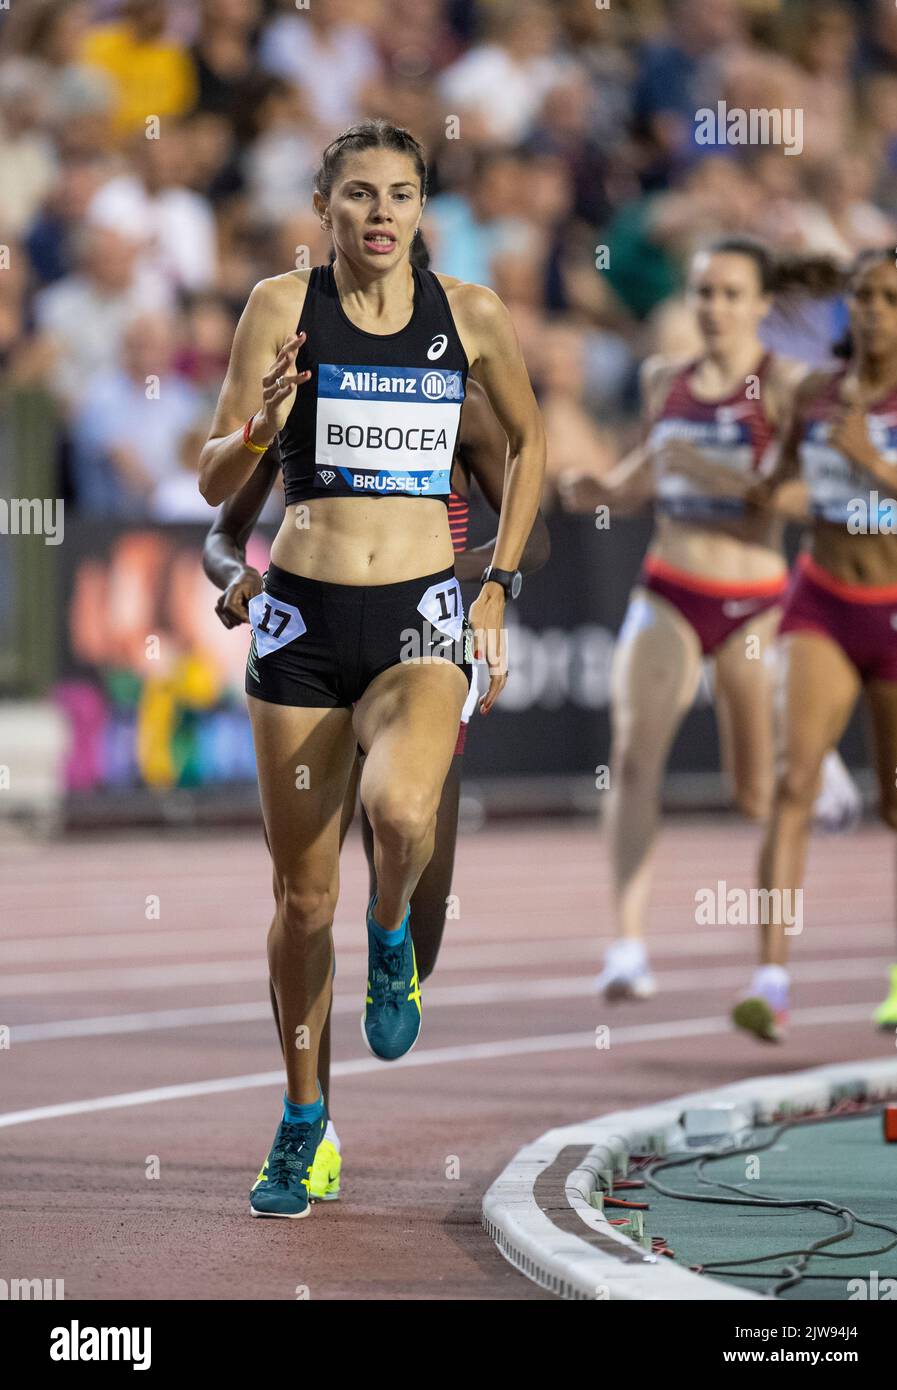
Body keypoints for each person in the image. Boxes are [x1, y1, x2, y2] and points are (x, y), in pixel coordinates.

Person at [198, 118, 545, 1218]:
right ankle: (304, 1122)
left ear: (422, 206)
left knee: (402, 815)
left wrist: (498, 583)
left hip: (419, 620)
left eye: (400, 193)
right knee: (302, 901)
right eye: (358, 195)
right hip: (301, 623)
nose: (380, 213)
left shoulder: (469, 316)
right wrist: (260, 427)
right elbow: (215, 486)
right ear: (325, 210)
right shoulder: (276, 308)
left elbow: (529, 448)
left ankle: (391, 935)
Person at [559, 238, 860, 1001]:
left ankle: (810, 757)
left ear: (762, 304)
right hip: (669, 587)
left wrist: (732, 479)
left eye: (730, 293)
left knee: (753, 795)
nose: (714, 308)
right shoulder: (665, 379)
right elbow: (645, 473)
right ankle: (626, 945)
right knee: (632, 759)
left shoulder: (788, 387)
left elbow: (812, 499)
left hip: (755, 600)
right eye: (703, 293)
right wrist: (597, 486)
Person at [736, 247, 897, 1041]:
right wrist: (764, 485)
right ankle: (770, 980)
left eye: (889, 298)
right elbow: (781, 473)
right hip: (824, 601)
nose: (872, 311)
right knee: (793, 781)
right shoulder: (816, 393)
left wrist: (877, 465)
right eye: (862, 298)